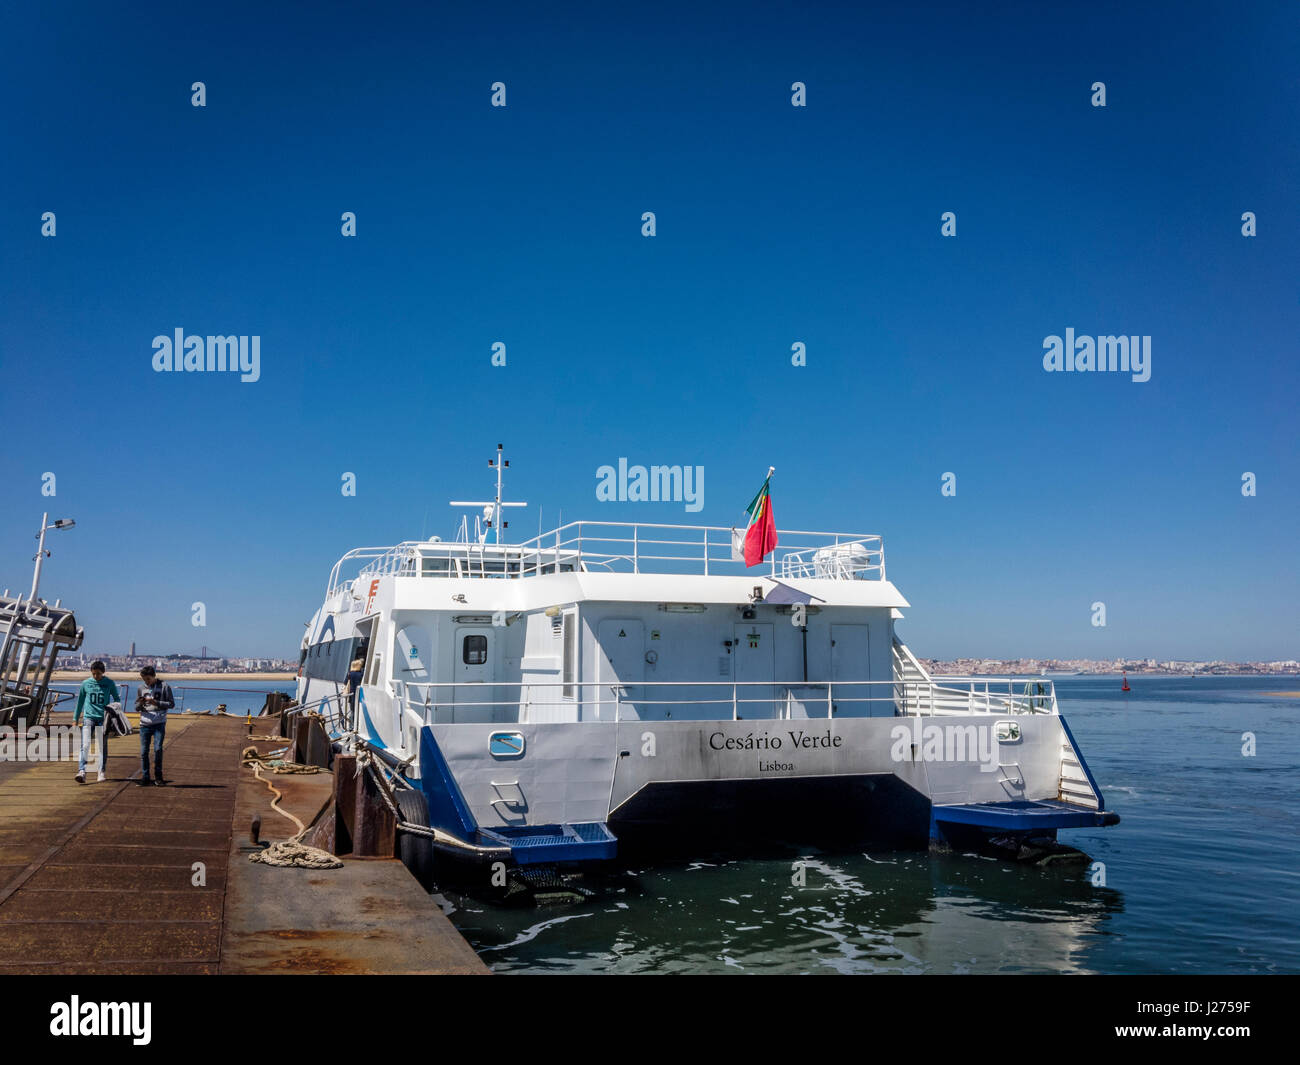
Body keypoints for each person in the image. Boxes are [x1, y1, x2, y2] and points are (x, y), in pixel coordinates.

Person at [73, 661, 119, 783]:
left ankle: (101, 771)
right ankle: (82, 771)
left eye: (98, 674)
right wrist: (75, 719)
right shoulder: (86, 683)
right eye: (93, 674)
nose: (95, 676)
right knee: (85, 745)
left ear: (103, 672)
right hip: (89, 718)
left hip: (103, 719)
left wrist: (113, 711)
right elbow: (80, 702)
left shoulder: (109, 683)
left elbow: (117, 699)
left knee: (102, 747)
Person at [135, 666, 175, 785]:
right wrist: (140, 704)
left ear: (154, 676)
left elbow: (171, 704)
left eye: (148, 679)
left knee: (158, 749)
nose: (146, 682)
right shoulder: (141, 688)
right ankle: (145, 777)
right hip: (144, 724)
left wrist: (156, 702)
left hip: (159, 723)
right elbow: (136, 707)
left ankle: (158, 777)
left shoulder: (165, 686)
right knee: (144, 752)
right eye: (144, 679)